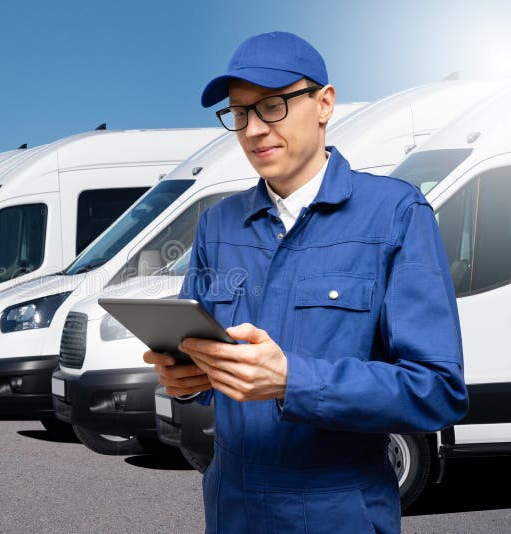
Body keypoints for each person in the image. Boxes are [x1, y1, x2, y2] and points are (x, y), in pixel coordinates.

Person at [143, 31, 468, 533]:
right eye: (240, 113)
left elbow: (437, 391)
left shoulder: (396, 215)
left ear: (324, 103)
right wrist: (187, 382)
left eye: (272, 106)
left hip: (340, 514)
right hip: (233, 511)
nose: (253, 129)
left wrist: (293, 380)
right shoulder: (218, 225)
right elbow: (207, 362)